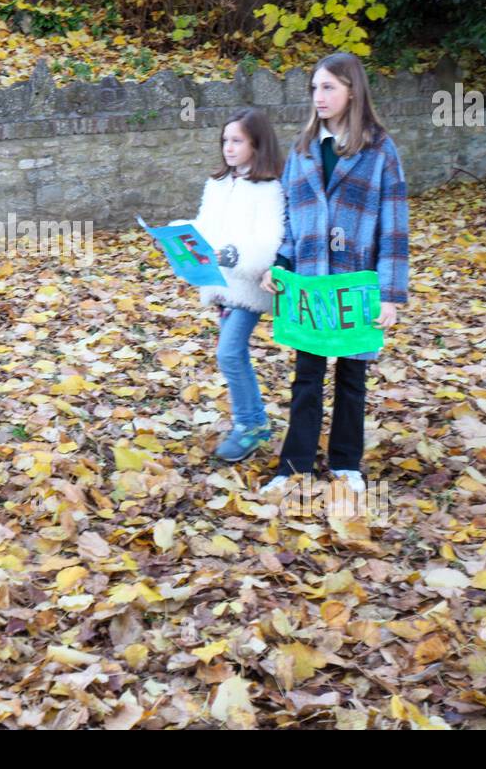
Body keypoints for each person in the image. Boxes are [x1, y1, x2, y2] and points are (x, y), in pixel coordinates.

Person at [259, 52, 409, 497]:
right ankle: (293, 466)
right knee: (306, 375)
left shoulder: (379, 148)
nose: (319, 97)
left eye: (329, 88)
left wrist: (390, 293)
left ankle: (346, 463)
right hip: (309, 282)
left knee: (352, 375)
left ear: (352, 90)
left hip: (355, 281)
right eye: (315, 89)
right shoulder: (303, 147)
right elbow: (289, 217)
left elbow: (394, 223)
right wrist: (281, 263)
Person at [172, 110, 285, 463]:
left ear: (257, 144)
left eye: (237, 141)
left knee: (229, 353)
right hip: (218, 282)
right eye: (225, 141)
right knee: (233, 355)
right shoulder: (218, 184)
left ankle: (250, 425)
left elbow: (271, 240)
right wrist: (181, 234)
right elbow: (205, 225)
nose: (229, 148)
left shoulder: (268, 188)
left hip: (246, 286)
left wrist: (235, 255)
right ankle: (252, 421)